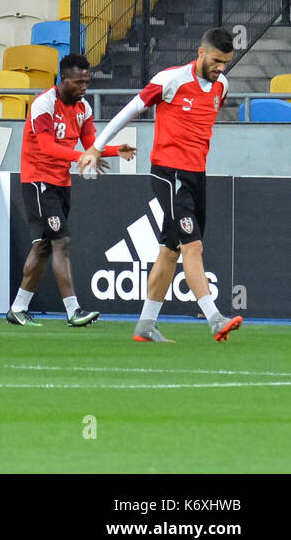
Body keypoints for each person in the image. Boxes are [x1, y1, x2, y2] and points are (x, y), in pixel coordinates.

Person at [78, 28, 243, 343]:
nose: (221, 68)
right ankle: (214, 318)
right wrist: (97, 146)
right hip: (168, 173)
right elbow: (130, 109)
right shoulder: (170, 80)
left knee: (169, 251)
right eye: (217, 61)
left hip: (196, 176)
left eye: (226, 63)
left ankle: (146, 325)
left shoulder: (221, 86)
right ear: (201, 53)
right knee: (192, 246)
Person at [8, 53, 135, 327]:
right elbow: (46, 146)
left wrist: (113, 150)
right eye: (79, 82)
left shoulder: (83, 109)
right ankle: (73, 310)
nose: (84, 87)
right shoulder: (43, 104)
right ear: (63, 79)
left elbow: (91, 143)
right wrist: (80, 157)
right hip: (38, 181)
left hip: (61, 182)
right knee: (60, 242)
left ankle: (17, 309)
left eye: (87, 82)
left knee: (42, 246)